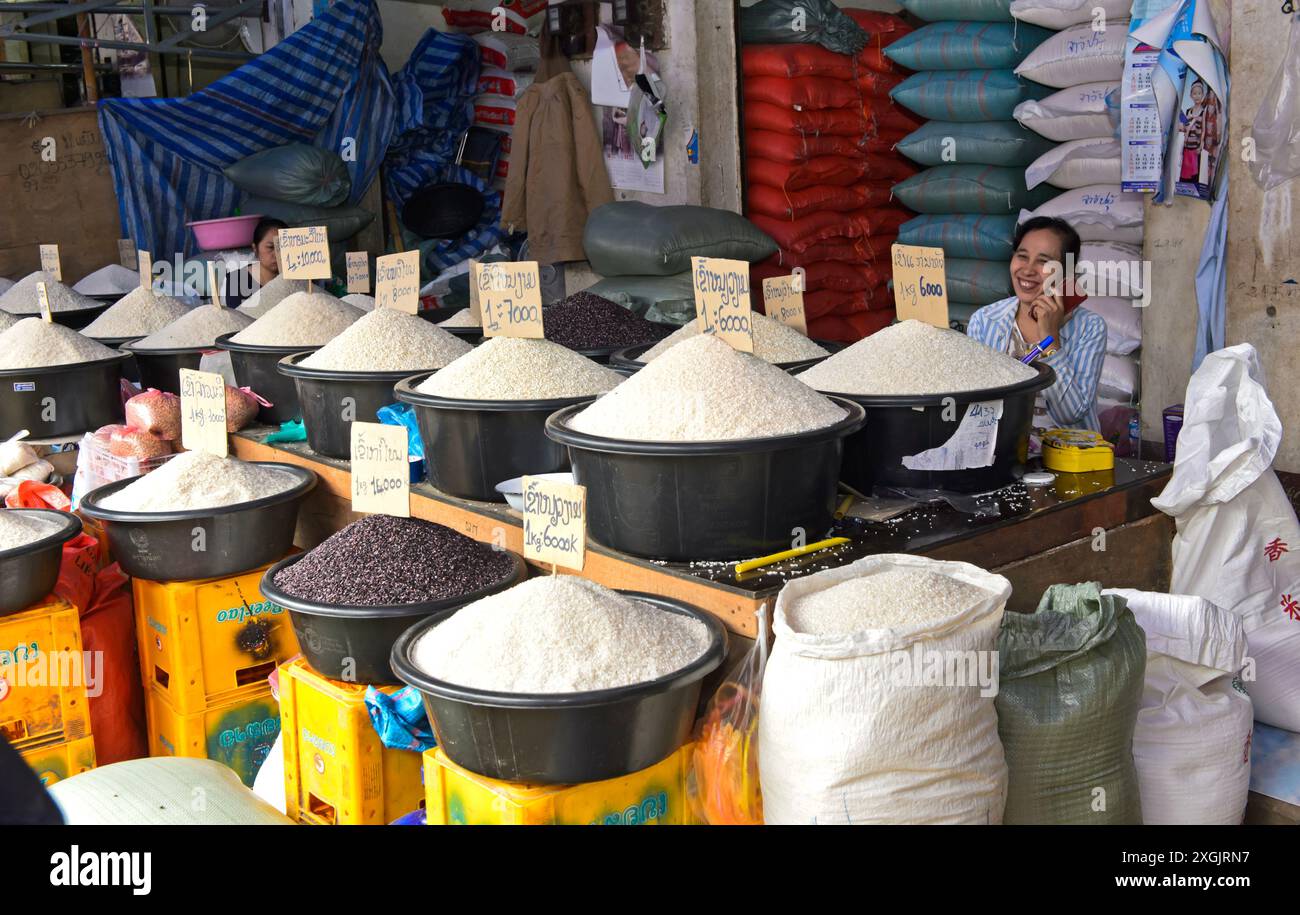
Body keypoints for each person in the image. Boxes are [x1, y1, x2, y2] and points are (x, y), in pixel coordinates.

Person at [966, 216, 1107, 433]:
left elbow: (1069, 414)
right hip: (1004, 453)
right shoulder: (985, 321)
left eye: (1043, 262)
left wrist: (1049, 338)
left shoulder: (1090, 328)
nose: (1028, 270)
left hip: (1068, 459)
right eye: (1022, 256)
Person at [222, 217, 286, 308]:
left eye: (282, 247)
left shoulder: (298, 279)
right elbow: (236, 318)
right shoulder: (235, 281)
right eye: (270, 247)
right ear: (255, 248)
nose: (277, 254)